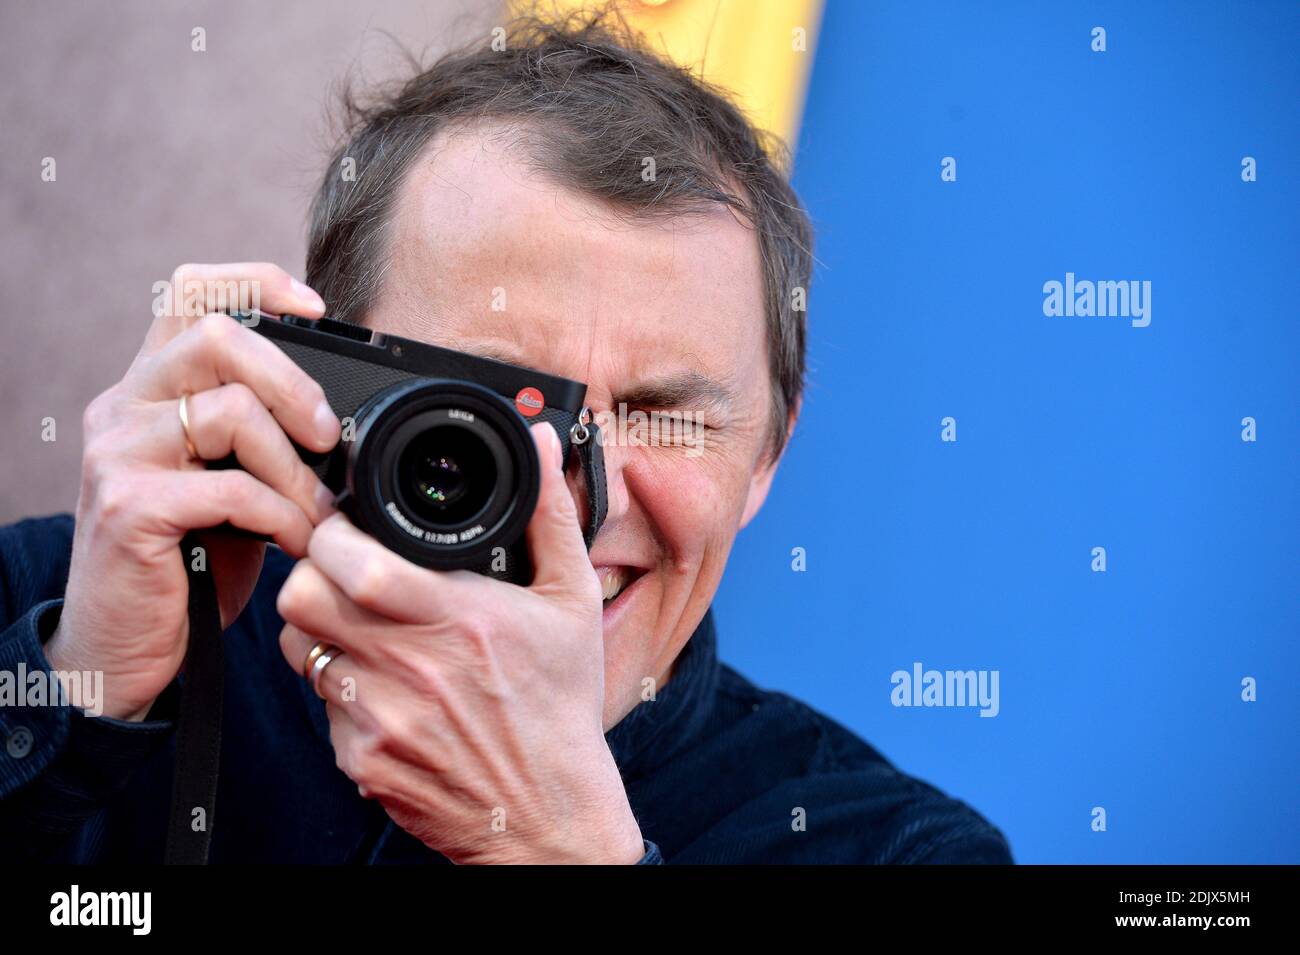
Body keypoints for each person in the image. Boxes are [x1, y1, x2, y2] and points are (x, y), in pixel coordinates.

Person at [0, 12, 1012, 864]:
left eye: (664, 414)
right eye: (487, 402)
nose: (568, 501)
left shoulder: (890, 849)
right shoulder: (58, 607)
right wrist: (72, 703)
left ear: (765, 458)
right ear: (325, 376)